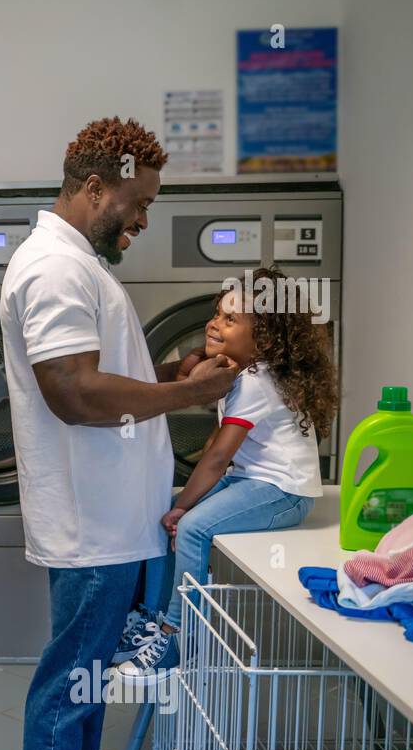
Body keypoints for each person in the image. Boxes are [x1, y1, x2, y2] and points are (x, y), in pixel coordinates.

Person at [1, 116, 238, 750]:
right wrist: (190, 399)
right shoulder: (54, 267)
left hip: (112, 520)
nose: (142, 220)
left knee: (91, 679)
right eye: (137, 204)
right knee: (67, 684)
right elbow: (74, 393)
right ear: (95, 186)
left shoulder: (83, 266)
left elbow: (105, 380)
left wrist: (171, 377)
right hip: (90, 524)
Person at [112, 266, 338, 683]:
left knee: (193, 526)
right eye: (217, 313)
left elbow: (217, 457)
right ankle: (149, 619)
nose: (215, 322)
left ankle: (175, 637)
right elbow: (220, 447)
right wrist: (177, 505)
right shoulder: (238, 375)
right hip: (254, 480)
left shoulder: (255, 382)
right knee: (167, 513)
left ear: (265, 337)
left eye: (231, 319)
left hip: (283, 492)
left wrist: (184, 508)